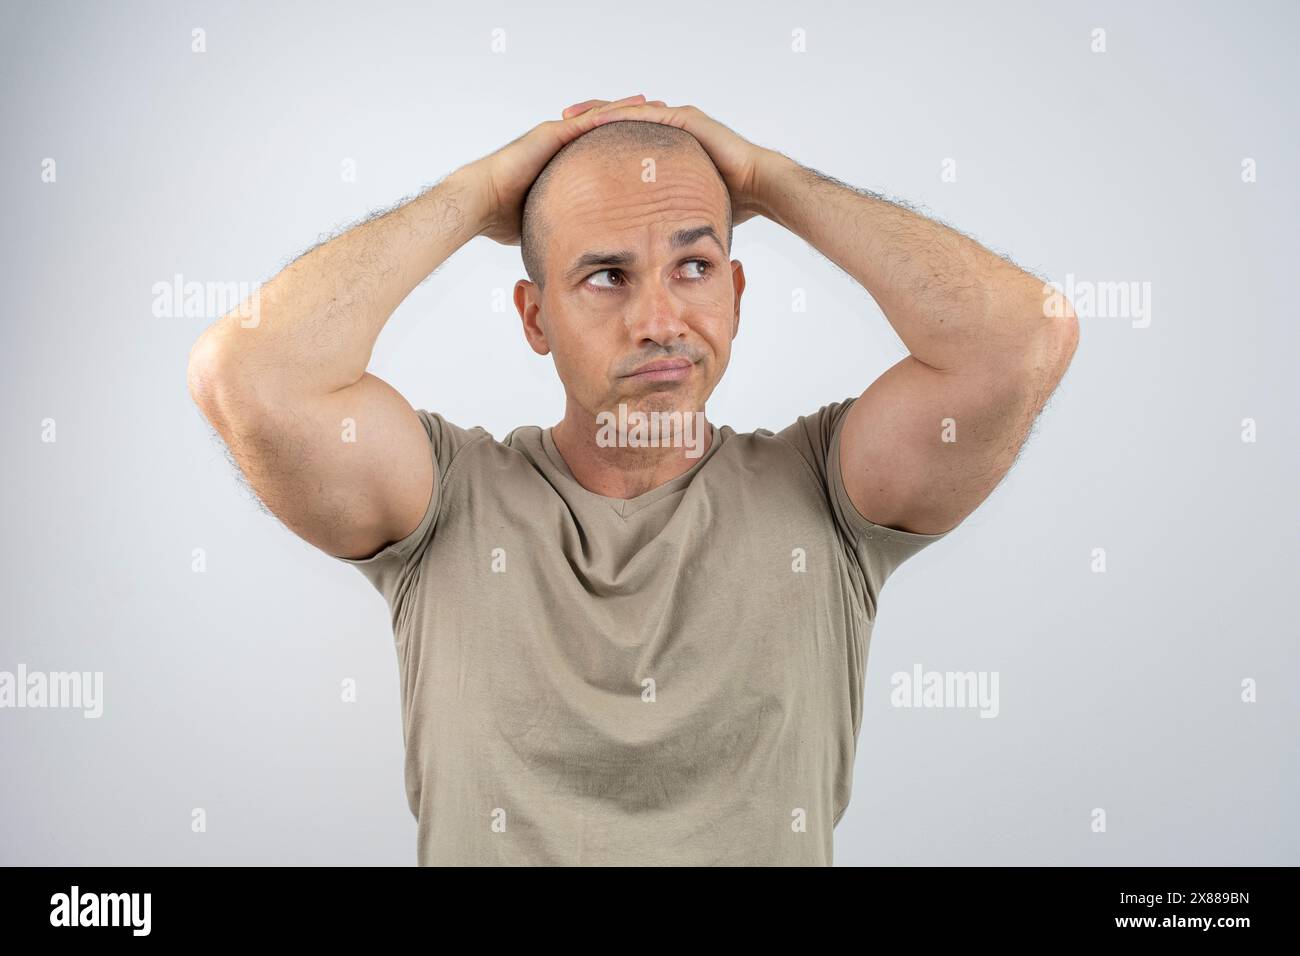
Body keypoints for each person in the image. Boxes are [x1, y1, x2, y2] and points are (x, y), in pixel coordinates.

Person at [186, 94, 1079, 865]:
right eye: (606, 276)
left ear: (735, 289)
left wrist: (768, 180)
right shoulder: (446, 501)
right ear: (535, 316)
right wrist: (481, 193)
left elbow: (1023, 339)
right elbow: (249, 377)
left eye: (693, 268)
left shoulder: (827, 498)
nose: (661, 319)